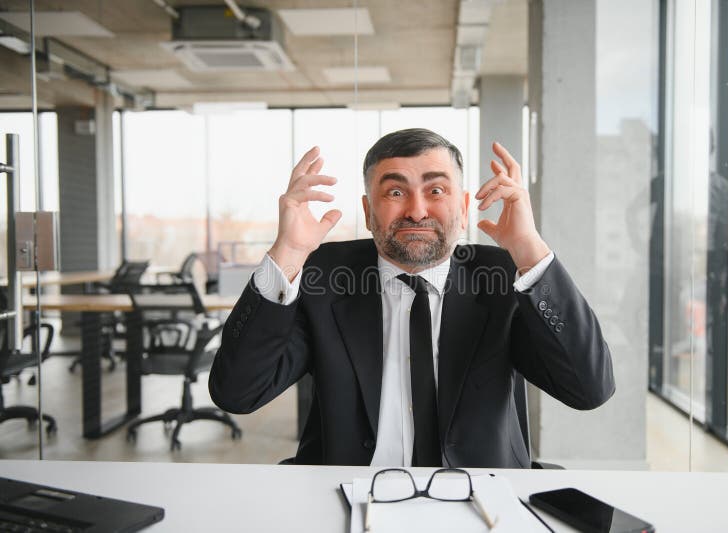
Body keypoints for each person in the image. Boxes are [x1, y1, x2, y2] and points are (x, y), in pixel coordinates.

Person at [209, 128, 614, 468]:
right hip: (348, 496)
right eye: (395, 193)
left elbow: (588, 388)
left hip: (481, 501)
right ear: (368, 212)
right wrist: (288, 254)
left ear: (463, 208)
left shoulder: (505, 277)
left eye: (436, 190)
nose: (417, 211)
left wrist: (529, 249)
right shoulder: (323, 277)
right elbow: (237, 393)